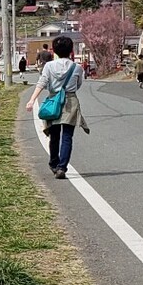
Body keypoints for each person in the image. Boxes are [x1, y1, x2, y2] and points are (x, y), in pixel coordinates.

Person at [28, 34, 87, 179]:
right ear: (71, 50)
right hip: (70, 101)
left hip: (53, 100)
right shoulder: (77, 67)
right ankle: (62, 167)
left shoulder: (48, 66)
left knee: (54, 135)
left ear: (54, 51)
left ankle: (54, 163)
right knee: (67, 136)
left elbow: (42, 83)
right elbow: (78, 84)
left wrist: (32, 100)